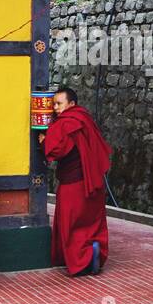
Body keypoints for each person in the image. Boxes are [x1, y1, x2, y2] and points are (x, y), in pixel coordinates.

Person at [40, 87, 111, 277]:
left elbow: (56, 150)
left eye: (59, 103)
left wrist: (42, 141)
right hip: (95, 182)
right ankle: (94, 249)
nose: (55, 108)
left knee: (71, 224)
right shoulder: (86, 120)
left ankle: (82, 261)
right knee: (92, 222)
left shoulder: (66, 123)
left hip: (74, 184)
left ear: (72, 104)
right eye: (54, 104)